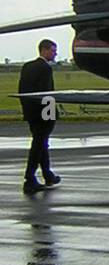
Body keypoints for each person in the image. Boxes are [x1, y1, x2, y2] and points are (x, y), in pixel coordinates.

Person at [19, 38, 60, 196]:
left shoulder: (27, 66)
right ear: (44, 50)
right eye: (53, 50)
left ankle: (47, 175)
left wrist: (27, 111)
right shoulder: (45, 69)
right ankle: (29, 178)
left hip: (31, 112)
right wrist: (51, 114)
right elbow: (46, 93)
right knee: (39, 145)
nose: (55, 53)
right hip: (43, 113)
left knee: (42, 144)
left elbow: (23, 90)